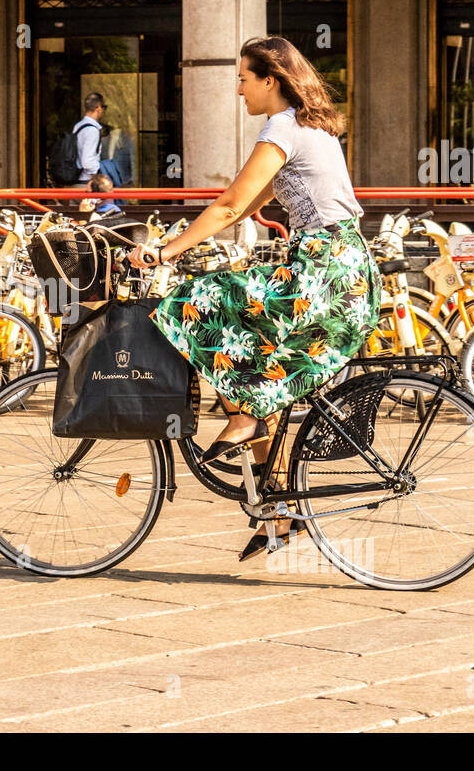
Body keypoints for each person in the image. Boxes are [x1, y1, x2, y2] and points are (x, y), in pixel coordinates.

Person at [129, 36, 381, 560]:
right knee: (247, 363)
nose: (238, 89)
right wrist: (190, 237)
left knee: (188, 305)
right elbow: (250, 204)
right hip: (342, 271)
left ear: (271, 81)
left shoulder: (283, 126)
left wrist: (165, 253)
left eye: (244, 78)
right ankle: (279, 511)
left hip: (323, 272)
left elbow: (229, 204)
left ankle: (244, 419)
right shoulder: (310, 127)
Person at [73, 92, 105, 184]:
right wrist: (100, 172)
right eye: (103, 107)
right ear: (98, 108)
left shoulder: (78, 126)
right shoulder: (92, 130)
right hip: (87, 182)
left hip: (76, 180)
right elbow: (87, 161)